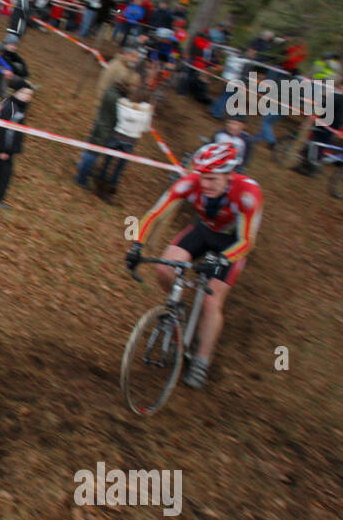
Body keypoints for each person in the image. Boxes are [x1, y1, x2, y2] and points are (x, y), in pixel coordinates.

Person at [125, 142, 264, 390]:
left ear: (230, 175)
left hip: (233, 242)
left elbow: (247, 241)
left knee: (212, 301)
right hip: (204, 230)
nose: (205, 185)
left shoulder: (247, 194)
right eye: (202, 178)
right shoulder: (191, 183)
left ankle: (202, 359)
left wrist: (221, 260)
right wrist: (136, 245)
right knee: (164, 269)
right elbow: (153, 214)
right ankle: (176, 309)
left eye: (212, 179)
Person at [76, 48, 141, 188]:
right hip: (106, 114)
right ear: (128, 55)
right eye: (135, 57)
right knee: (95, 145)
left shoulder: (123, 69)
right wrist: (101, 103)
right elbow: (103, 85)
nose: (136, 60)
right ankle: (82, 170)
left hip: (106, 111)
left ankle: (84, 166)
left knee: (94, 140)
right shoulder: (116, 67)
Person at [0, 79, 33, 208]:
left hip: (8, 148)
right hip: (4, 148)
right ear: (16, 93)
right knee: (5, 172)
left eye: (30, 95)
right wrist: (3, 149)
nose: (27, 97)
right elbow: (3, 130)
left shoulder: (19, 108)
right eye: (24, 93)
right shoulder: (12, 108)